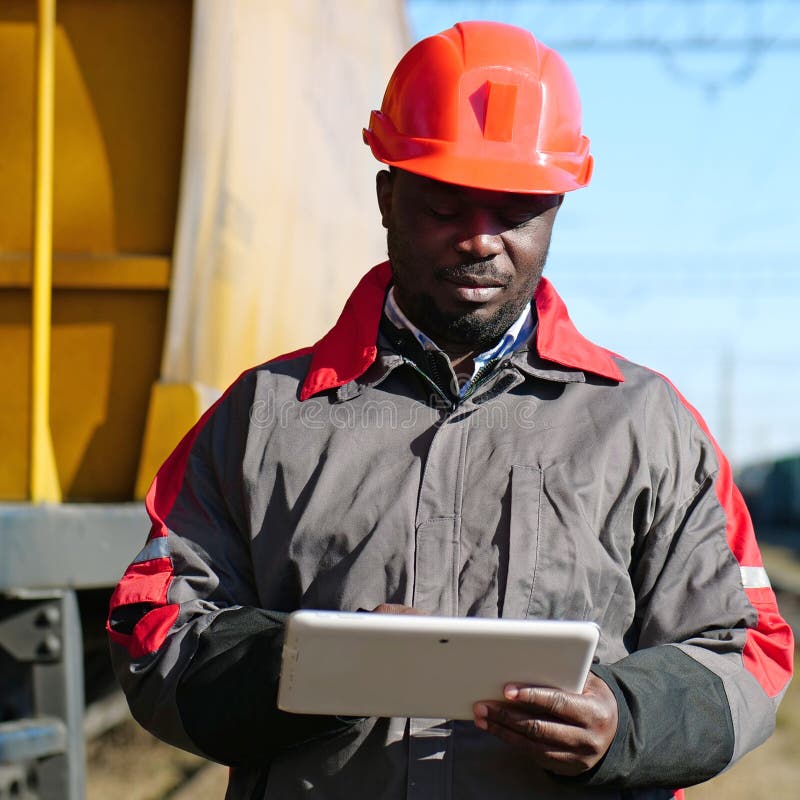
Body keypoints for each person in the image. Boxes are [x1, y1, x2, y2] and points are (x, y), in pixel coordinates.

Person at [108, 20, 793, 800]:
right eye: (446, 205)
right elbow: (153, 627)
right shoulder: (260, 419)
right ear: (387, 196)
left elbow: (747, 647)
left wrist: (625, 718)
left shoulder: (647, 425)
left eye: (516, 211)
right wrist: (307, 667)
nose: (481, 240)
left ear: (556, 211)